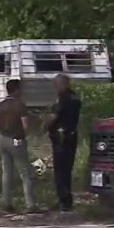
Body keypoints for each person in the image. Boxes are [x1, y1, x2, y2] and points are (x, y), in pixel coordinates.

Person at [0, 79, 39, 213]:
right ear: (16, 90)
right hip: (16, 140)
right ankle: (30, 204)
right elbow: (25, 125)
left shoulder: (0, 106)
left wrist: (2, 129)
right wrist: (25, 133)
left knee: (7, 172)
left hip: (2, 139)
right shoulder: (20, 105)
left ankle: (7, 203)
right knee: (25, 173)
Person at [45, 74, 82, 212]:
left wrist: (44, 124)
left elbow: (53, 117)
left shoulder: (63, 99)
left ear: (63, 84)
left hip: (61, 138)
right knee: (67, 169)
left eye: (57, 85)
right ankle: (66, 199)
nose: (56, 88)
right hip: (71, 136)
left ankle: (64, 201)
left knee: (60, 170)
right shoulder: (75, 97)